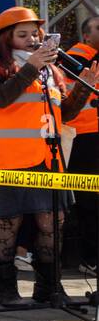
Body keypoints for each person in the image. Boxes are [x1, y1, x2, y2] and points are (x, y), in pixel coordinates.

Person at [0, 7, 99, 306]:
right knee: (8, 223)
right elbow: (1, 98)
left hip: (48, 158)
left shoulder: (51, 71)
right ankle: (5, 292)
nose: (32, 39)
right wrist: (30, 66)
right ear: (6, 39)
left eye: (35, 33)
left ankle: (49, 288)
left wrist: (84, 87)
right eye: (23, 34)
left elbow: (63, 113)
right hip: (6, 159)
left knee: (52, 222)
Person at [64, 15, 99, 273]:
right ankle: (90, 259)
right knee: (90, 201)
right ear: (86, 35)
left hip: (88, 137)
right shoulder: (78, 57)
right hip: (85, 136)